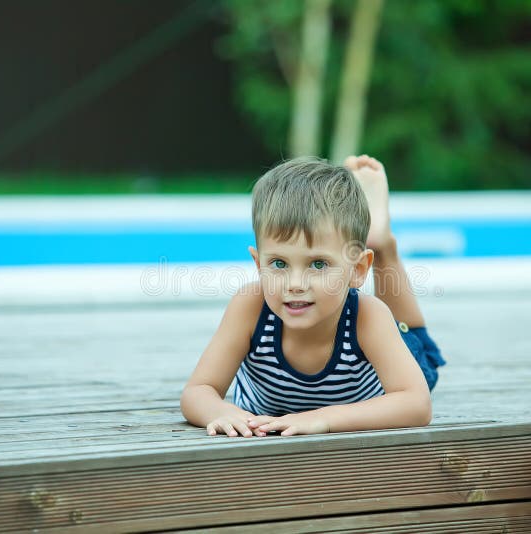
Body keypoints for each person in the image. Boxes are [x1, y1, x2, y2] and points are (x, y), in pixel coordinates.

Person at [180, 155, 445, 437]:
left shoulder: (367, 317)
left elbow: (416, 404)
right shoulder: (251, 307)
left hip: (379, 376)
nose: (295, 284)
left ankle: (381, 244)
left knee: (416, 349)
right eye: (279, 263)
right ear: (258, 265)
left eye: (318, 264)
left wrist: (323, 419)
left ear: (357, 269)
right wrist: (223, 412)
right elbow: (197, 391)